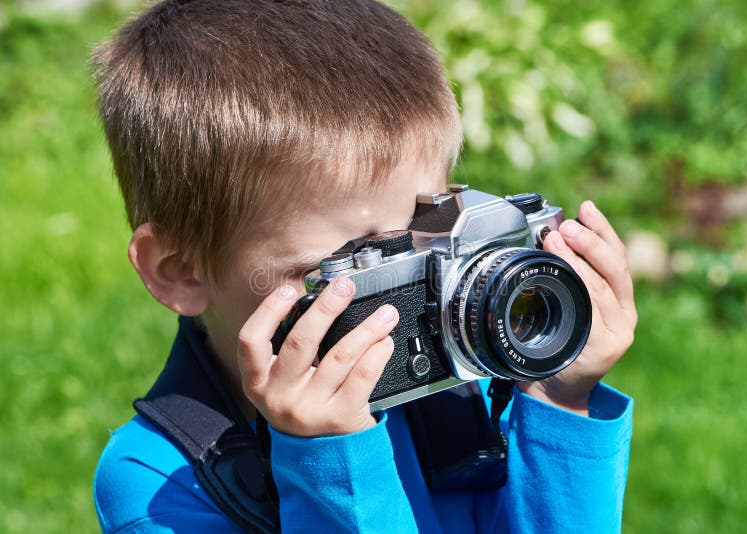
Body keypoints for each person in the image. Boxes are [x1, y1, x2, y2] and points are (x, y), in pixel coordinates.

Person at [92, 0, 637, 532]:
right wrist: (333, 461)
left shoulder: (457, 389)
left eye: (423, 245)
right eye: (344, 269)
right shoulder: (159, 484)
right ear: (180, 271)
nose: (401, 305)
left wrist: (560, 402)